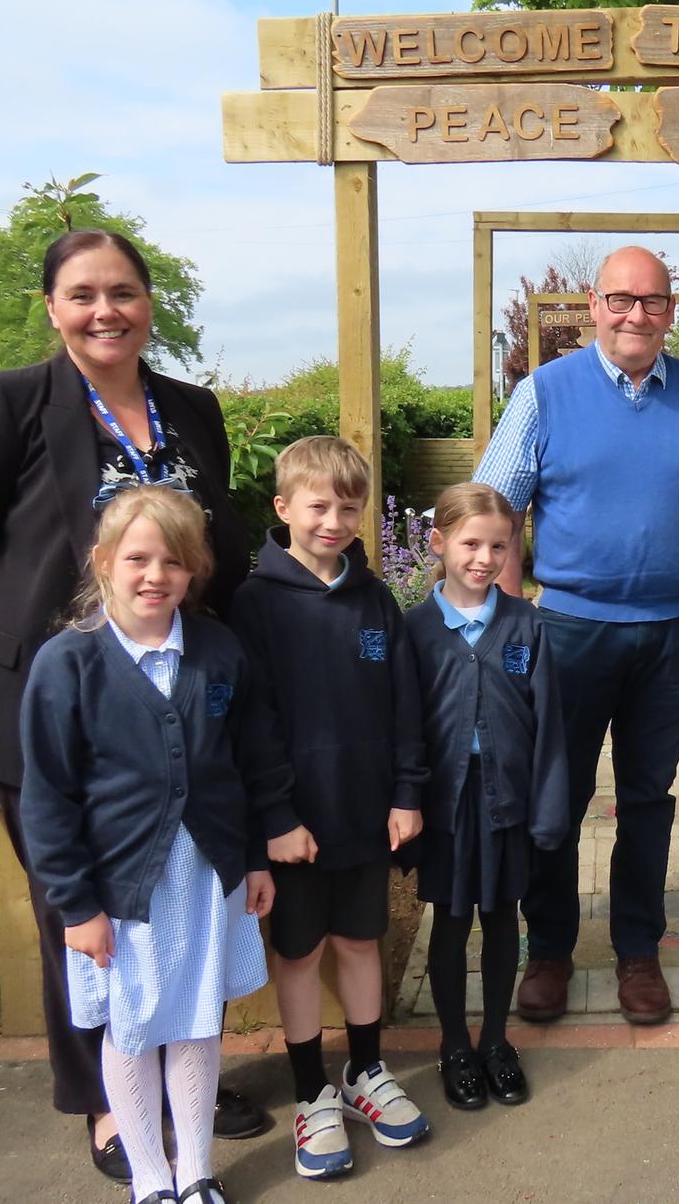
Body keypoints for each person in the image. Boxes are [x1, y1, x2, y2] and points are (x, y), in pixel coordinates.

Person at [0, 230, 264, 1181]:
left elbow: (212, 537)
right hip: (56, 715)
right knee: (88, 914)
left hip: (175, 703)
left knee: (187, 900)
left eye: (122, 291)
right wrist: (31, 666)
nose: (104, 310)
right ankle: (111, 1103)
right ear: (52, 306)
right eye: (82, 294)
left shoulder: (191, 408)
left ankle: (181, 1076)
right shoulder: (3, 405)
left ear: (149, 301)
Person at [473, 245, 679, 1026]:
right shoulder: (544, 393)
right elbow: (497, 510)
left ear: (672, 310)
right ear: (593, 306)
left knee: (649, 798)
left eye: (653, 301)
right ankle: (550, 949)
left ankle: (638, 951)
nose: (637, 314)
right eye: (621, 299)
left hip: (667, 632)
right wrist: (509, 617)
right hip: (568, 629)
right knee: (556, 795)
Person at [19, 487, 295, 1204]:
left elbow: (252, 756)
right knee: (135, 1026)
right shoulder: (68, 664)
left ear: (193, 569)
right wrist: (76, 904)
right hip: (119, 887)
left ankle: (195, 1169)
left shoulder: (217, 651)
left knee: (199, 1020)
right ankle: (150, 1177)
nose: (155, 575)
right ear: (105, 561)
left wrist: (257, 858)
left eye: (173, 561)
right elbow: (48, 796)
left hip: (206, 873)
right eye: (137, 558)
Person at [227, 436, 430, 1180]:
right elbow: (254, 722)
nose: (335, 519)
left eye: (350, 506)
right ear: (283, 509)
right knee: (301, 951)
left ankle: (366, 1073)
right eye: (319, 505)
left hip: (367, 814)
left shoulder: (376, 597)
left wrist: (408, 793)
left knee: (360, 942)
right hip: (295, 828)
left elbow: (406, 701)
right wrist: (277, 817)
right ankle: (312, 1089)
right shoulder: (256, 604)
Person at [405, 483, 569, 1110]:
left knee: (502, 918)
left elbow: (549, 723)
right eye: (470, 543)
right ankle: (453, 1044)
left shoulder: (528, 625)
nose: (484, 557)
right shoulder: (415, 630)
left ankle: (497, 1040)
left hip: (508, 801)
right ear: (438, 543)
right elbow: (401, 725)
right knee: (449, 922)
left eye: (498, 546)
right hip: (446, 805)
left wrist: (548, 810)